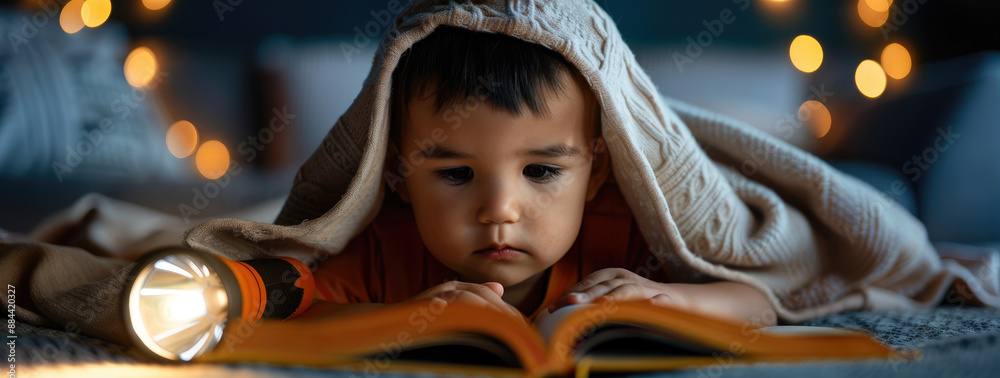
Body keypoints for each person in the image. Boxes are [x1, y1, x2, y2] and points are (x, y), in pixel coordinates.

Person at [306, 26, 775, 324]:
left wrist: (671, 300)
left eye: (541, 170)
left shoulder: (625, 237)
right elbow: (288, 311)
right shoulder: (385, 246)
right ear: (399, 175)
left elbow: (762, 304)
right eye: (456, 173)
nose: (499, 210)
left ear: (596, 173)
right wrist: (398, 320)